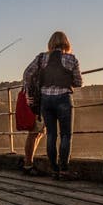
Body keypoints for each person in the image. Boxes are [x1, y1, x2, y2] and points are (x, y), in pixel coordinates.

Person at [24, 32, 82, 179]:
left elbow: (27, 73)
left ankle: (54, 170)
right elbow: (78, 82)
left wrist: (27, 92)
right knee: (66, 135)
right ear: (66, 43)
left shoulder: (41, 58)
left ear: (50, 43)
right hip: (63, 98)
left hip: (45, 99)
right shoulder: (71, 59)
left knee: (51, 135)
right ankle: (64, 170)